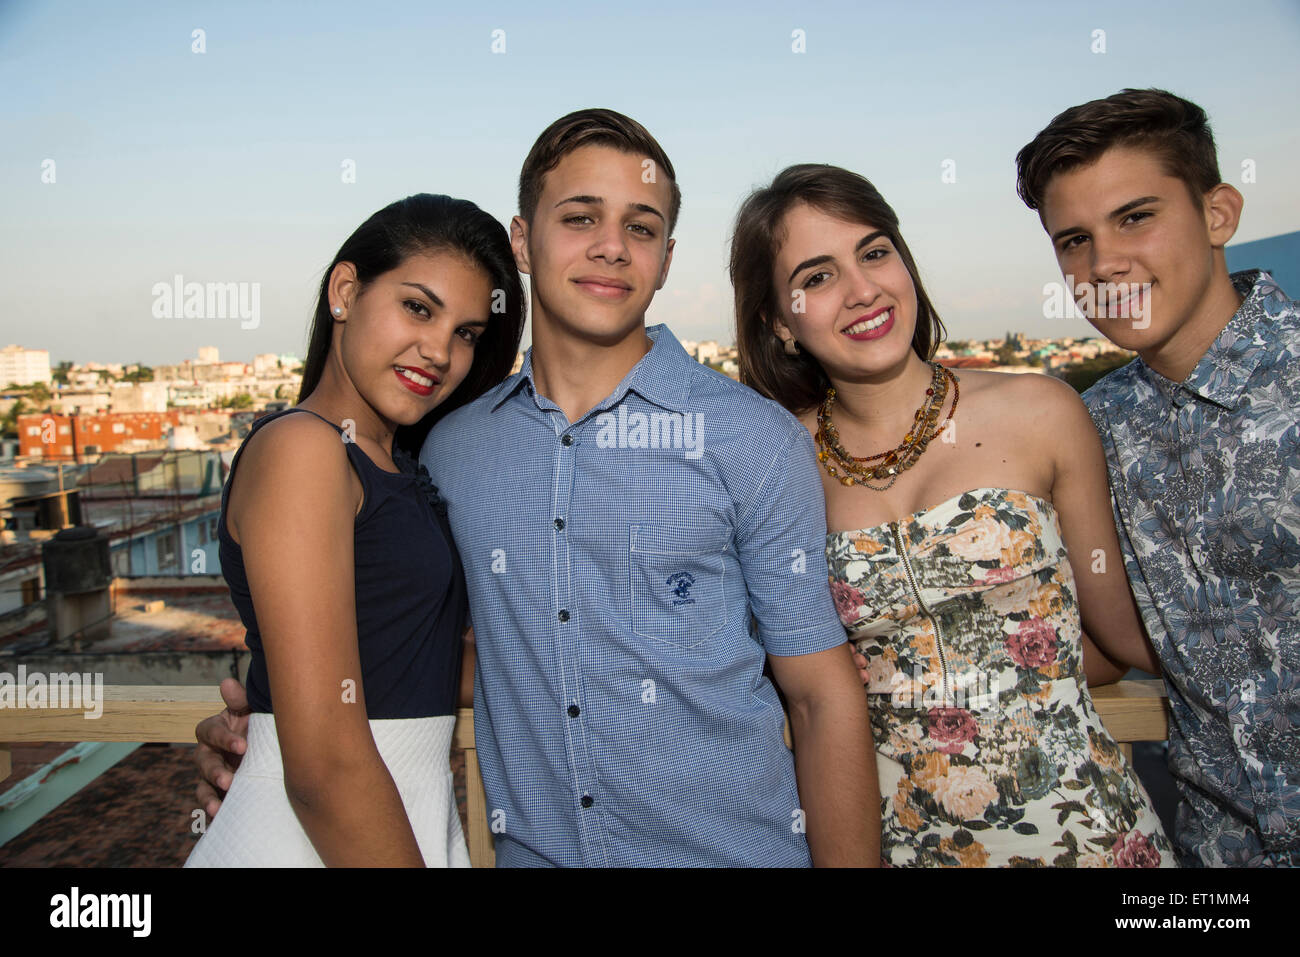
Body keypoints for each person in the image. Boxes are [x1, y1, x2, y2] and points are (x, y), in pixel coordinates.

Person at [195, 109, 880, 867]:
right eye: (580, 217)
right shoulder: (448, 448)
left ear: (667, 256)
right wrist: (274, 720)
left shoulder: (751, 438)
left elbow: (820, 698)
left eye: (642, 227)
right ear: (523, 240)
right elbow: (400, 639)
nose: (612, 247)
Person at [730, 163, 1174, 867]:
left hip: (1089, 832)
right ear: (778, 321)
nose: (863, 289)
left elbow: (1121, 632)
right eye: (816, 277)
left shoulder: (1042, 412)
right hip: (892, 844)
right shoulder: (775, 459)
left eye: (875, 252)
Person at [185, 194, 524, 867]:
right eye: (418, 307)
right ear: (346, 291)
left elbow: (407, 659)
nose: (439, 351)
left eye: (467, 332)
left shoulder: (397, 465)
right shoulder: (303, 450)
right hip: (318, 836)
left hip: (392, 819)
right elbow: (325, 768)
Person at [1016, 87, 1300, 867]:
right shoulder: (1091, 428)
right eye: (1074, 239)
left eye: (1136, 216)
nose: (1104, 261)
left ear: (1219, 214)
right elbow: (1109, 634)